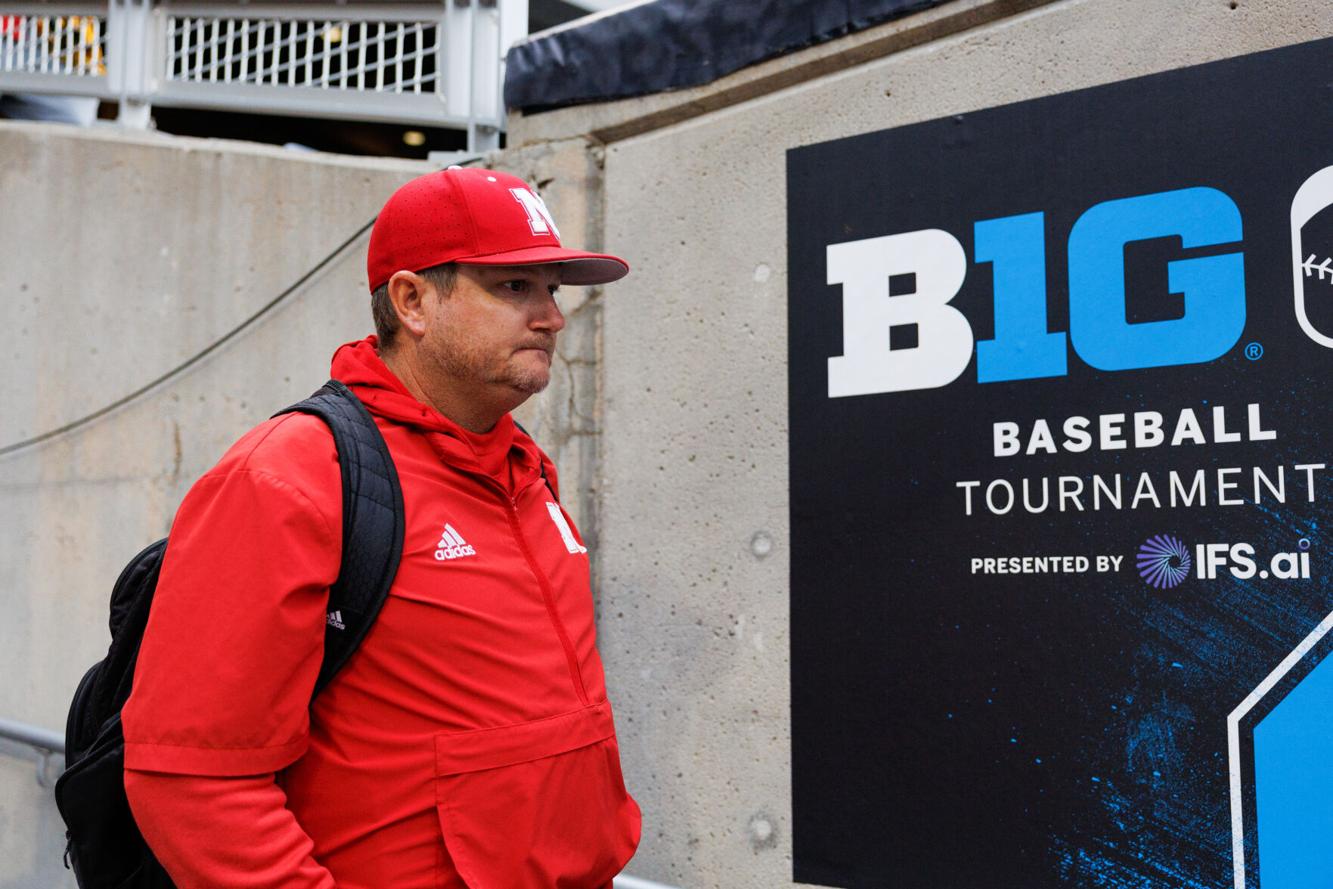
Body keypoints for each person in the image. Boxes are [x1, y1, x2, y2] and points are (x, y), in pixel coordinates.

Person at [121, 166, 642, 888]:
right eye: (513, 286)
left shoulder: (525, 467)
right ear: (412, 301)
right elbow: (191, 782)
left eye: (551, 287)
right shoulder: (292, 474)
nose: (552, 315)